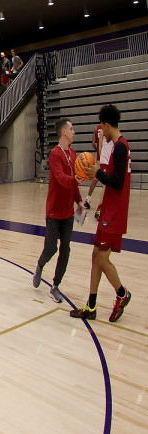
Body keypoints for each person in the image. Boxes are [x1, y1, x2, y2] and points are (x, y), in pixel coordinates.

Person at [73, 105, 132, 322]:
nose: (100, 132)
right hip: (108, 208)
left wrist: (97, 172)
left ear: (107, 125)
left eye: (102, 127)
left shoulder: (120, 148)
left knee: (102, 258)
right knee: (95, 255)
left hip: (115, 211)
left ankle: (122, 294)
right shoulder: (117, 145)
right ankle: (91, 305)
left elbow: (117, 183)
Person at [32, 118, 82, 304]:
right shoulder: (55, 154)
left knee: (66, 250)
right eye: (71, 128)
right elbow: (62, 178)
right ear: (63, 132)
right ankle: (39, 265)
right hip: (54, 211)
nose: (74, 132)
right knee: (51, 248)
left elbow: (72, 181)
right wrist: (76, 179)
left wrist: (78, 201)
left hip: (68, 212)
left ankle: (55, 286)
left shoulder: (73, 153)